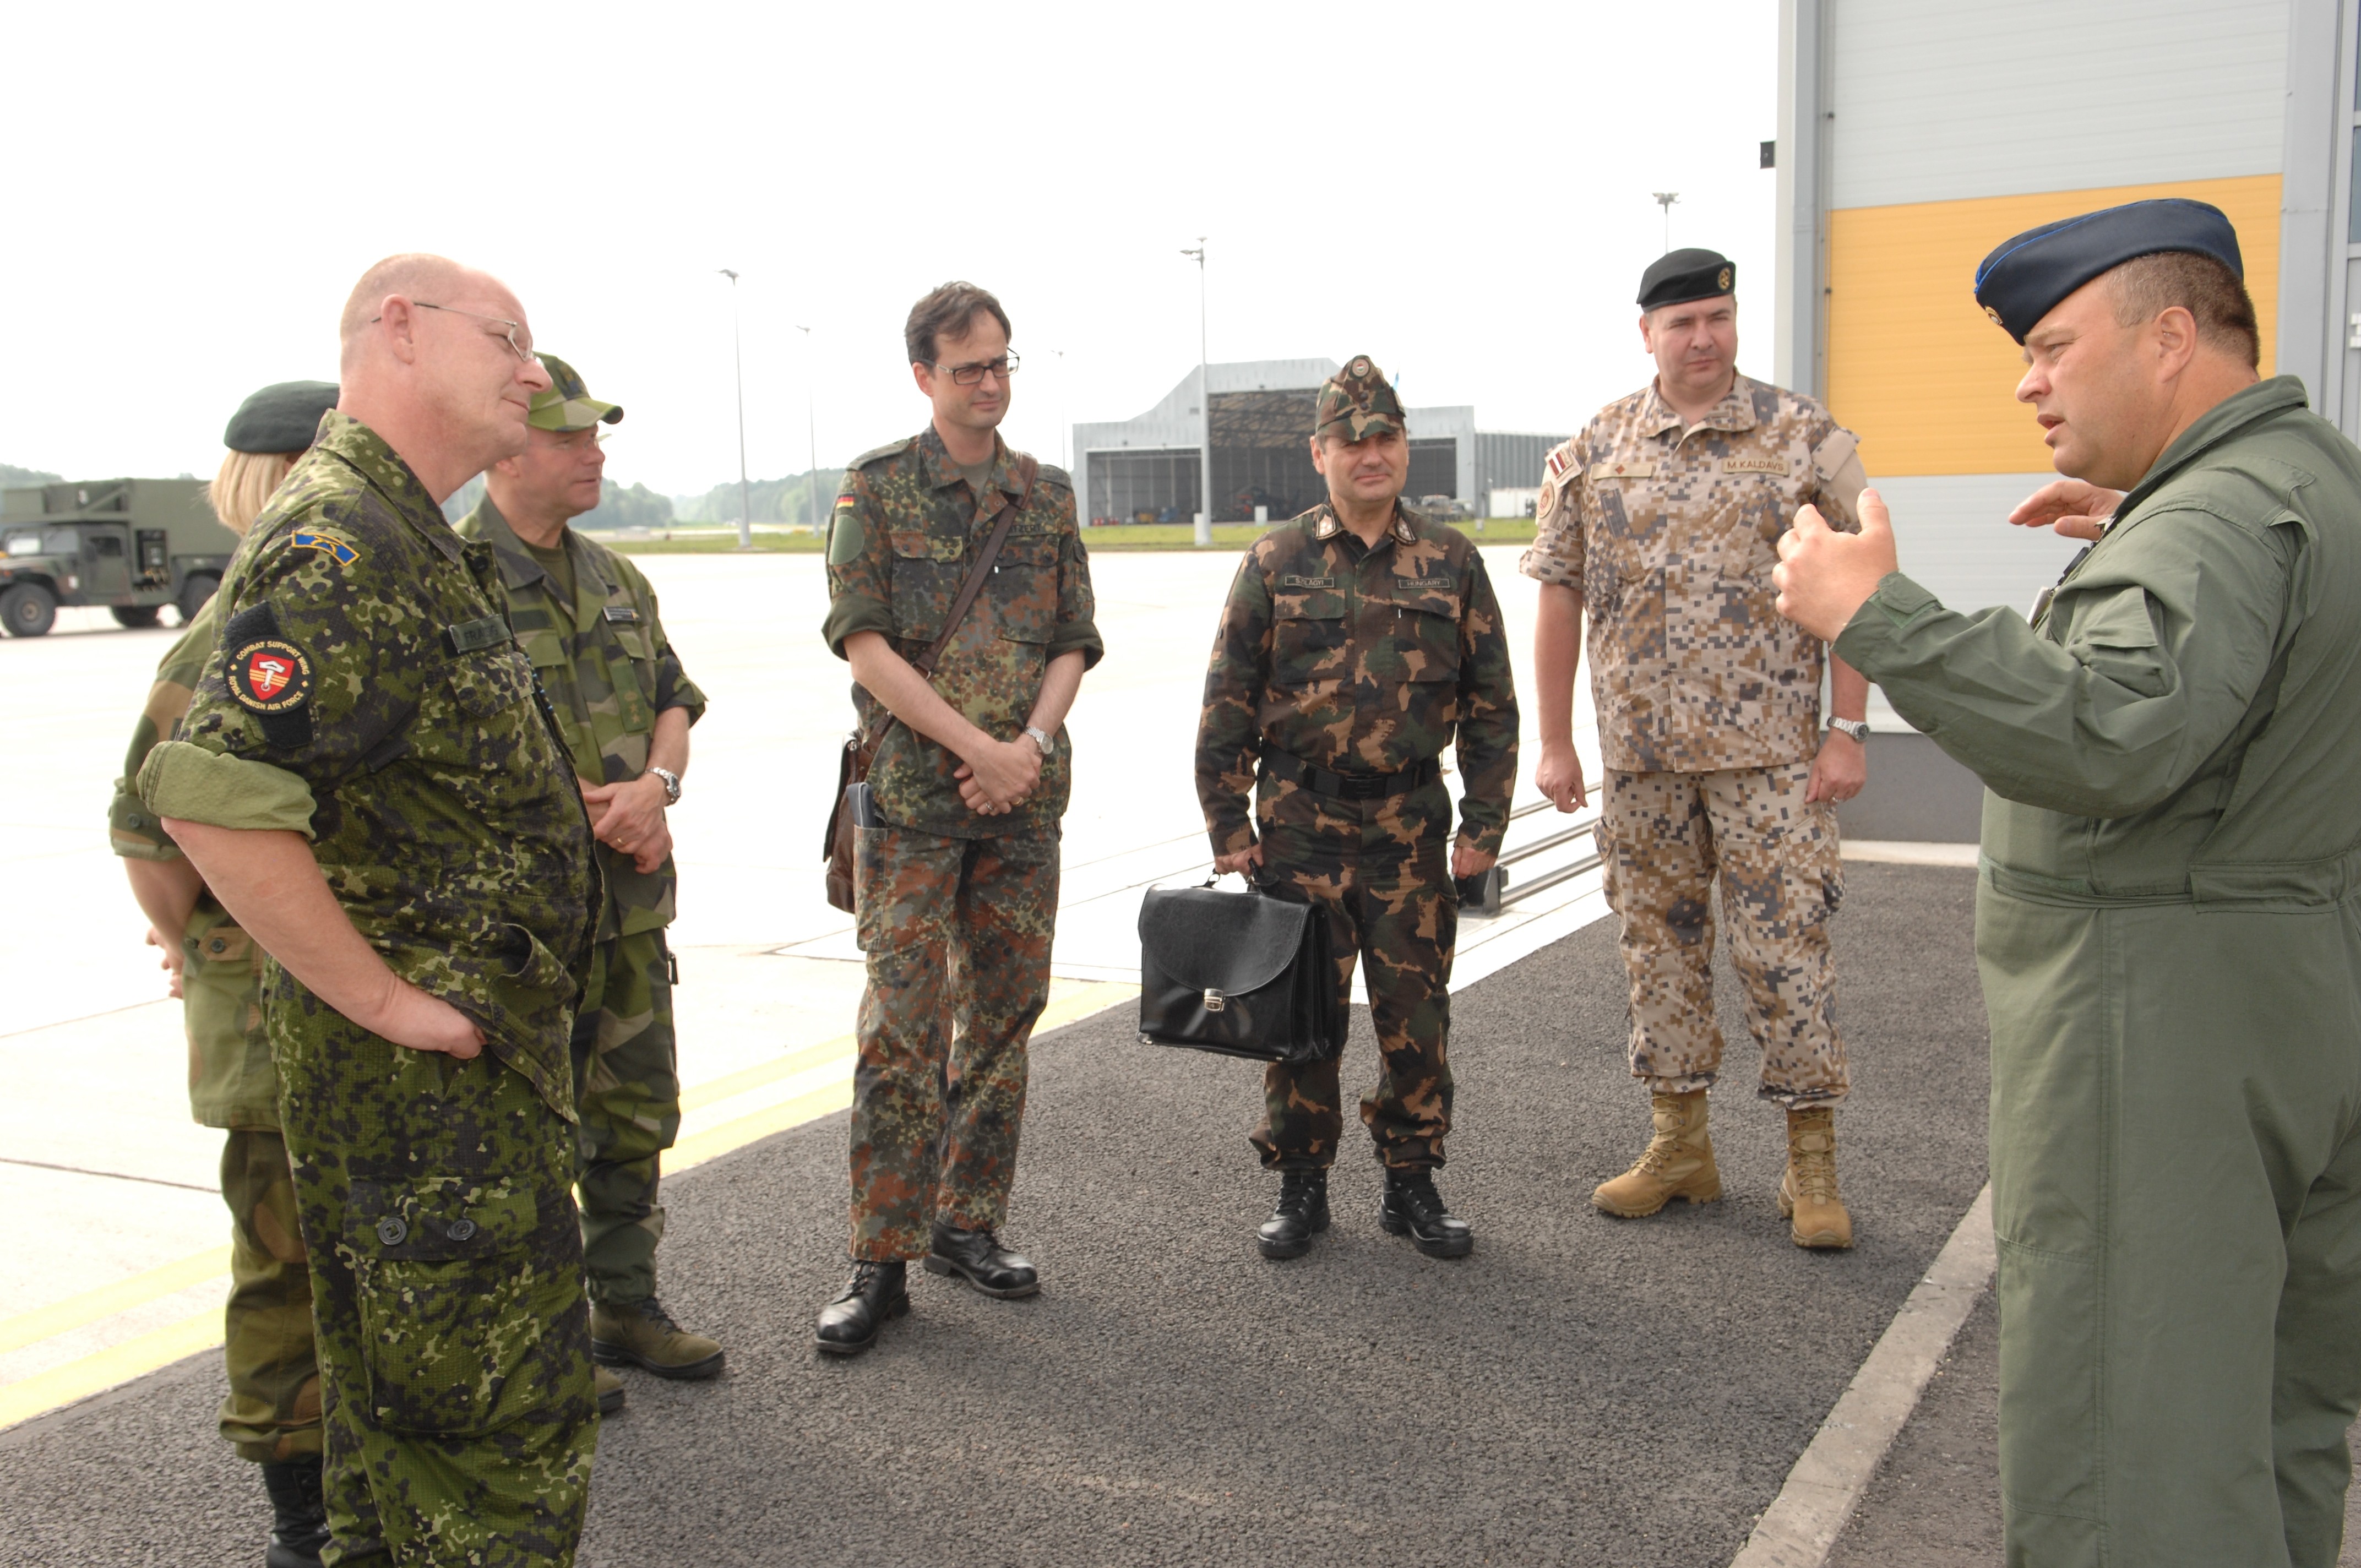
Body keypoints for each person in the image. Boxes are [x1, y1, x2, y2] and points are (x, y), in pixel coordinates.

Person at [1772, 198, 2361, 1568]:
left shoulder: (2215, 519)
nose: (2027, 383)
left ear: (2168, 338)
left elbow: (2109, 730)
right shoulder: (2299, 474)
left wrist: (1872, 616)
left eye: (2049, 346)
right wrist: (2149, 521)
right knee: (2260, 1408)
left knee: (2129, 1442)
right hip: (2281, 1005)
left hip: (2159, 1036)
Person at [138, 254, 600, 1566]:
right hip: (423, 1110)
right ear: (399, 330)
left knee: (404, 1452)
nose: (529, 370)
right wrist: (387, 999)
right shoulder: (341, 538)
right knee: (488, 1448)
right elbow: (212, 797)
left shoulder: (408, 536)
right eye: (509, 337)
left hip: (452, 1098)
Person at [1522, 248, 1872, 1249]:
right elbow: (1558, 593)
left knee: (1786, 956)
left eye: (1718, 317)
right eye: (1682, 323)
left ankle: (1811, 1168)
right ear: (1648, 334)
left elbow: (1859, 591)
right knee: (1657, 956)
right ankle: (1681, 1147)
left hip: (1771, 760)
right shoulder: (1598, 446)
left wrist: (1847, 730)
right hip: (1641, 766)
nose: (1703, 338)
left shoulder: (1803, 438)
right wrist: (1557, 742)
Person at [813, 280, 1101, 1354]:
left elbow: (1072, 636)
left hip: (1021, 803)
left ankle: (966, 1222)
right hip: (914, 806)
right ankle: (877, 1256)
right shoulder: (876, 491)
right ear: (924, 377)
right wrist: (974, 748)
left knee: (1001, 1018)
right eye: (969, 366)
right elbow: (865, 644)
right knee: (901, 1028)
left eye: (1001, 363)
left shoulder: (1046, 494)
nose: (990, 383)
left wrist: (1023, 747)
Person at [1195, 354, 1518, 1261]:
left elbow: (1493, 705)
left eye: (1385, 438)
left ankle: (1411, 1182)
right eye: (1351, 440)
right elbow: (1226, 698)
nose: (1369, 454)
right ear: (1319, 453)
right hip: (1300, 828)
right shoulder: (1276, 560)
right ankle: (1302, 1186)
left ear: (1405, 449)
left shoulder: (1452, 561)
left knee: (1416, 1017)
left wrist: (1483, 828)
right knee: (1301, 1020)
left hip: (1412, 832)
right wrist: (1229, 825)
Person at [455, 355, 722, 1386]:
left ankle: (625, 1306)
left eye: (595, 436)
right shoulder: (452, 577)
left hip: (630, 903)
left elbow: (675, 697)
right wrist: (571, 807)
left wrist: (658, 783)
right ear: (508, 446)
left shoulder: (617, 578)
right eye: (571, 437)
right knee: (519, 1137)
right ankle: (540, 1338)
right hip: (521, 926)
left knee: (631, 1114)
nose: (593, 454)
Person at [112, 379, 336, 1568]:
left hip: (339, 999)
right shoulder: (232, 629)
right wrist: (202, 939)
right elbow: (152, 832)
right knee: (283, 1261)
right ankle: (296, 1511)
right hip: (267, 1010)